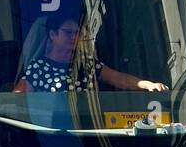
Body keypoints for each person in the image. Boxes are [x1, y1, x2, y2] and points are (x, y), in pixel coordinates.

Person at [15, 6, 168, 95]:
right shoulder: (38, 67)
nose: (74, 38)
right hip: (53, 135)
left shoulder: (86, 64)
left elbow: (117, 78)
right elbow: (18, 98)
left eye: (77, 33)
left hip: (87, 132)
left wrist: (147, 85)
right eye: (68, 33)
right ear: (53, 34)